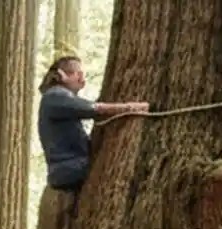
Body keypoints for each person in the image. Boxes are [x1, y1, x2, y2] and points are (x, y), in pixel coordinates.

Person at [37, 56, 150, 192]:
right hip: (72, 167)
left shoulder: (54, 98)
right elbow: (95, 109)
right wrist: (132, 108)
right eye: (77, 73)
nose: (82, 78)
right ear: (61, 75)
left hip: (67, 169)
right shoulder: (55, 95)